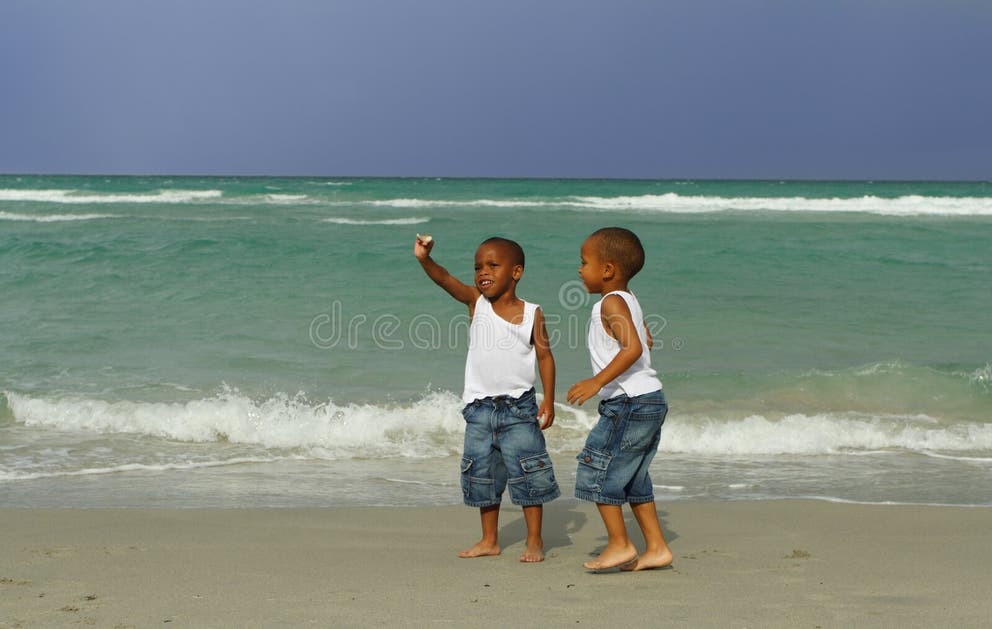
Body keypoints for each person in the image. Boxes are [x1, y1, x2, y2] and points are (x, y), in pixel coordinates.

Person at [414, 233, 560, 562]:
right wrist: (425, 259)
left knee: (528, 474)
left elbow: (545, 358)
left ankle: (534, 540)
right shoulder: (475, 302)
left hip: (519, 410)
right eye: (478, 266)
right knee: (482, 475)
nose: (483, 272)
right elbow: (445, 279)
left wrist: (548, 401)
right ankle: (489, 540)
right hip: (479, 410)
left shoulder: (532, 312)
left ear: (516, 272)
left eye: (493, 265)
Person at [566, 227, 674, 572]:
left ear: (608, 269)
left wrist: (597, 381)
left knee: (596, 470)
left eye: (585, 262)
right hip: (648, 399)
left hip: (629, 402)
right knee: (633, 479)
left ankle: (620, 544)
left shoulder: (610, 302)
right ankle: (656, 547)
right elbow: (642, 339)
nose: (579, 269)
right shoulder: (628, 299)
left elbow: (634, 347)